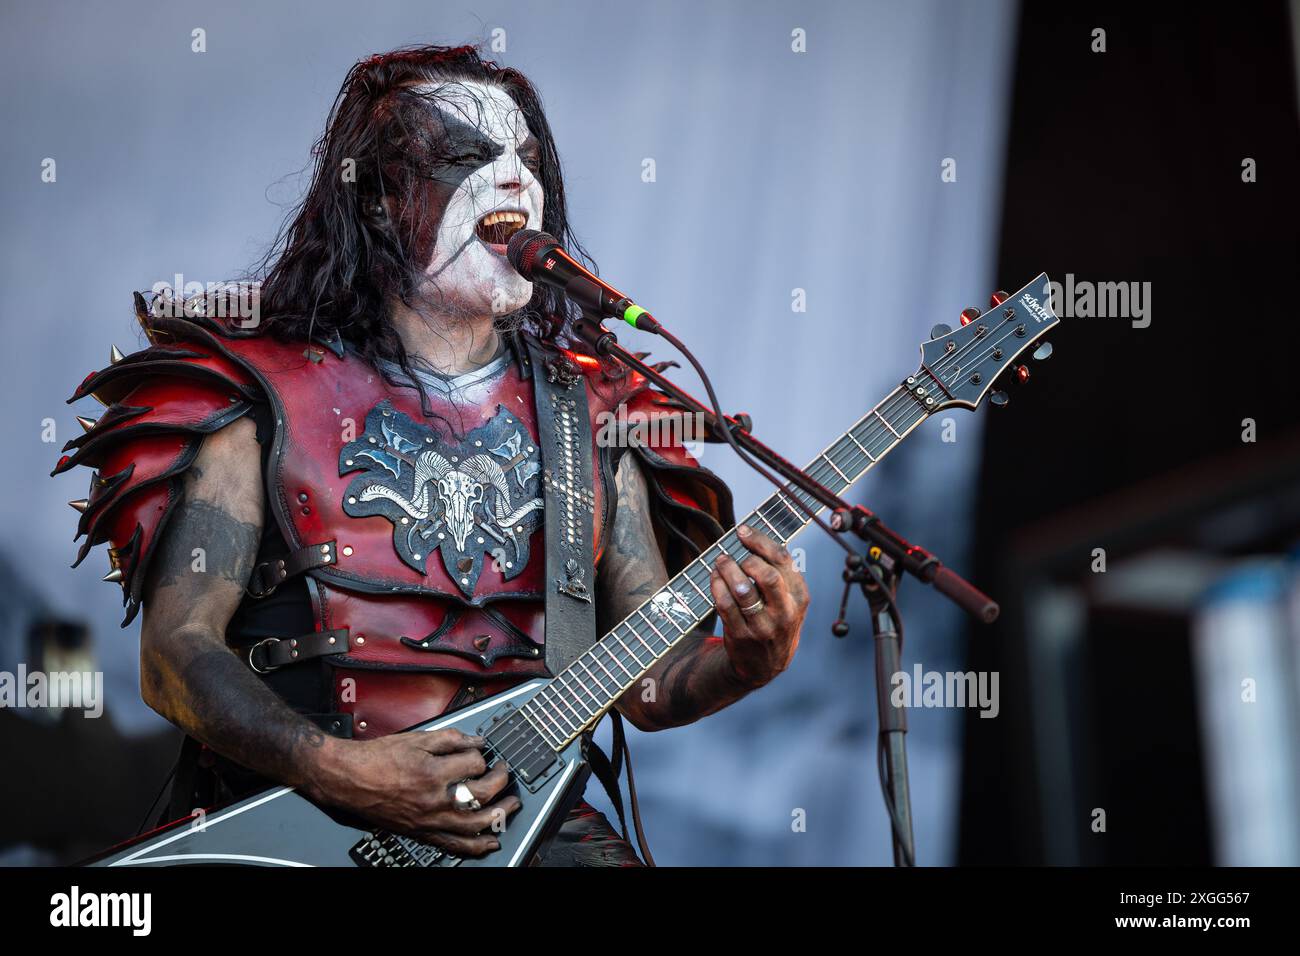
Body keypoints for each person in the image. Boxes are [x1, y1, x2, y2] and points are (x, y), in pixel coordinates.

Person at [54, 45, 808, 866]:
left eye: (525, 156)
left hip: (531, 831)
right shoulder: (255, 390)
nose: (513, 178)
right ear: (376, 203)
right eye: (465, 157)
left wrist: (744, 661)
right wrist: (337, 770)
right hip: (302, 833)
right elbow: (174, 654)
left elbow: (650, 688)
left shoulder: (591, 410)